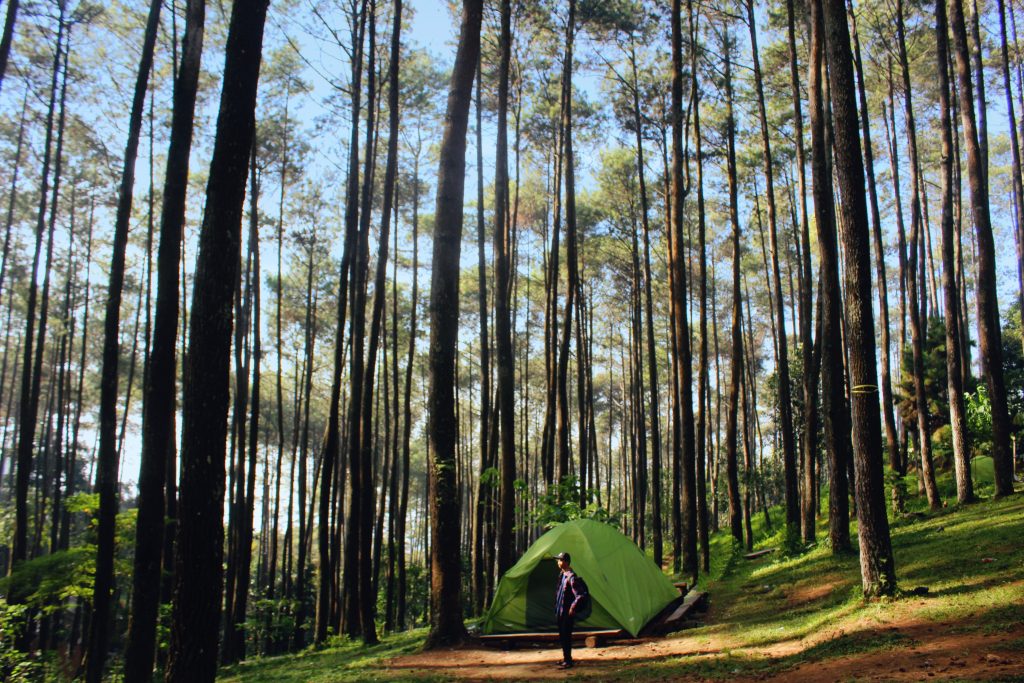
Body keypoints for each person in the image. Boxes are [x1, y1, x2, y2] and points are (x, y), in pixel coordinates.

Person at [554, 551, 585, 669]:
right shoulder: (562, 575)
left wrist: (573, 607)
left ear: (566, 562)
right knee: (563, 636)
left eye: (560, 560)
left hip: (567, 613)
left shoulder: (571, 577)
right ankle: (566, 658)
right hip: (560, 612)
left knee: (566, 637)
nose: (558, 562)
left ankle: (568, 661)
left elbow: (580, 595)